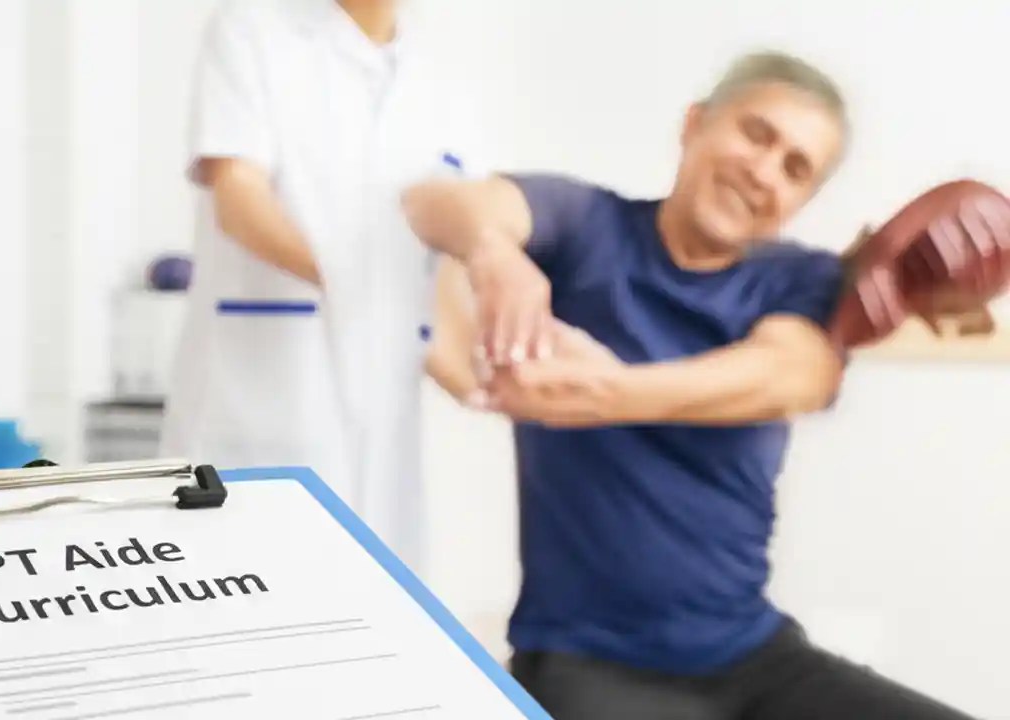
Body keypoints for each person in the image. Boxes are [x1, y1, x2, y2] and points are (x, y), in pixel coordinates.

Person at [404, 51, 980, 719]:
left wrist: (607, 394)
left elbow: (791, 372)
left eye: (796, 169)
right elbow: (436, 202)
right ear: (695, 124)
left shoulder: (799, 280)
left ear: (803, 201)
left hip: (756, 656)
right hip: (585, 662)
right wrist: (496, 254)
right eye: (755, 133)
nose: (764, 170)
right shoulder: (587, 226)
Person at [162, 0, 483, 574]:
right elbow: (239, 201)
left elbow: (443, 263)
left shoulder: (440, 71)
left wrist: (486, 378)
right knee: (246, 607)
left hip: (385, 427)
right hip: (265, 405)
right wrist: (363, 284)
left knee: (376, 609)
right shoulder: (250, 32)